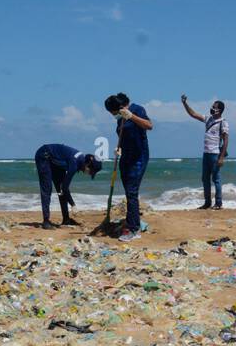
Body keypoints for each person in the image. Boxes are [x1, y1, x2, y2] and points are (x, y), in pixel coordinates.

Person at [104, 93, 154, 242]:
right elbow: (123, 135)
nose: (112, 115)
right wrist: (118, 148)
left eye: (112, 112)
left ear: (119, 107)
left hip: (139, 157)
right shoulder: (120, 119)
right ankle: (134, 221)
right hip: (125, 157)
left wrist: (131, 116)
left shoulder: (137, 109)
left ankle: (133, 228)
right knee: (129, 192)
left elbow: (149, 126)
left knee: (132, 191)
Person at [33, 144, 100, 229]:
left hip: (55, 162)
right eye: (90, 172)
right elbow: (65, 188)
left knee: (60, 191)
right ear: (88, 165)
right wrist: (73, 205)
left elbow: (63, 188)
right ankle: (46, 221)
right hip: (44, 156)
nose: (89, 174)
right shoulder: (74, 163)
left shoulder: (80, 161)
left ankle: (66, 219)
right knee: (47, 188)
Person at [181, 95, 229, 209]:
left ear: (220, 110)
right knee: (205, 179)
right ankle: (207, 203)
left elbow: (226, 140)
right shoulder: (208, 119)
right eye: (212, 106)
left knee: (216, 179)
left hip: (215, 154)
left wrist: (221, 157)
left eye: (214, 107)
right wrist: (185, 103)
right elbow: (193, 114)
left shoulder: (223, 122)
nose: (212, 108)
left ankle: (218, 203)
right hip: (206, 154)